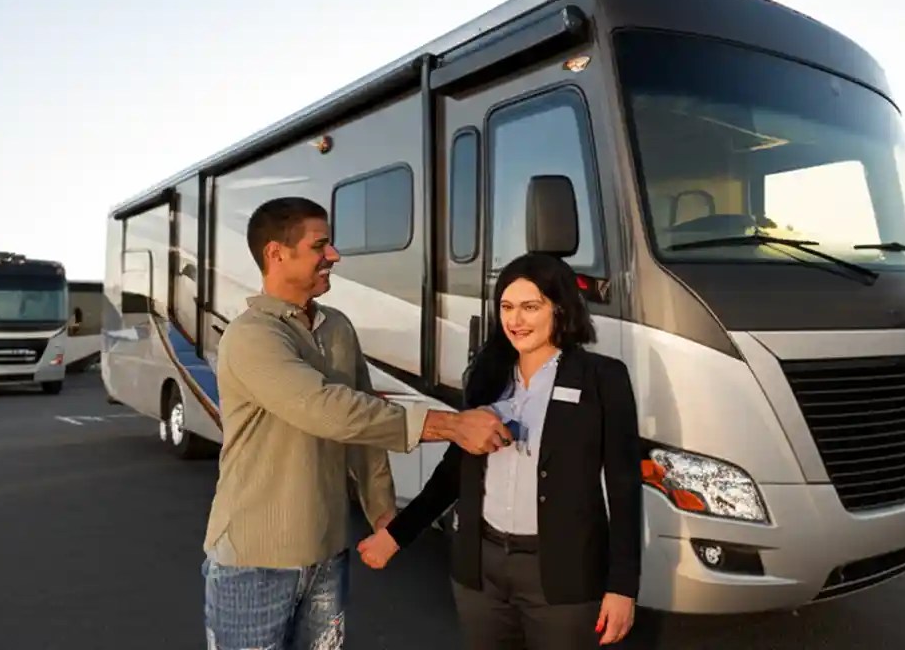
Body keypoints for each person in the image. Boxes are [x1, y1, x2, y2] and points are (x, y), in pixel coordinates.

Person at [201, 196, 513, 650]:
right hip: (254, 562)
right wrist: (450, 425)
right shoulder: (251, 335)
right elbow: (328, 409)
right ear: (276, 254)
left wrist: (382, 512)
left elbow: (364, 424)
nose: (334, 256)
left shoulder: (337, 327)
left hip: (328, 554)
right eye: (320, 246)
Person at [357, 252, 644, 649]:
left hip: (564, 577)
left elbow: (625, 487)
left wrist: (623, 587)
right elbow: (455, 470)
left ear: (559, 308)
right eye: (507, 307)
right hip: (481, 573)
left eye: (531, 307)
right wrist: (396, 536)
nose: (516, 320)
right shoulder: (487, 376)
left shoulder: (603, 378)